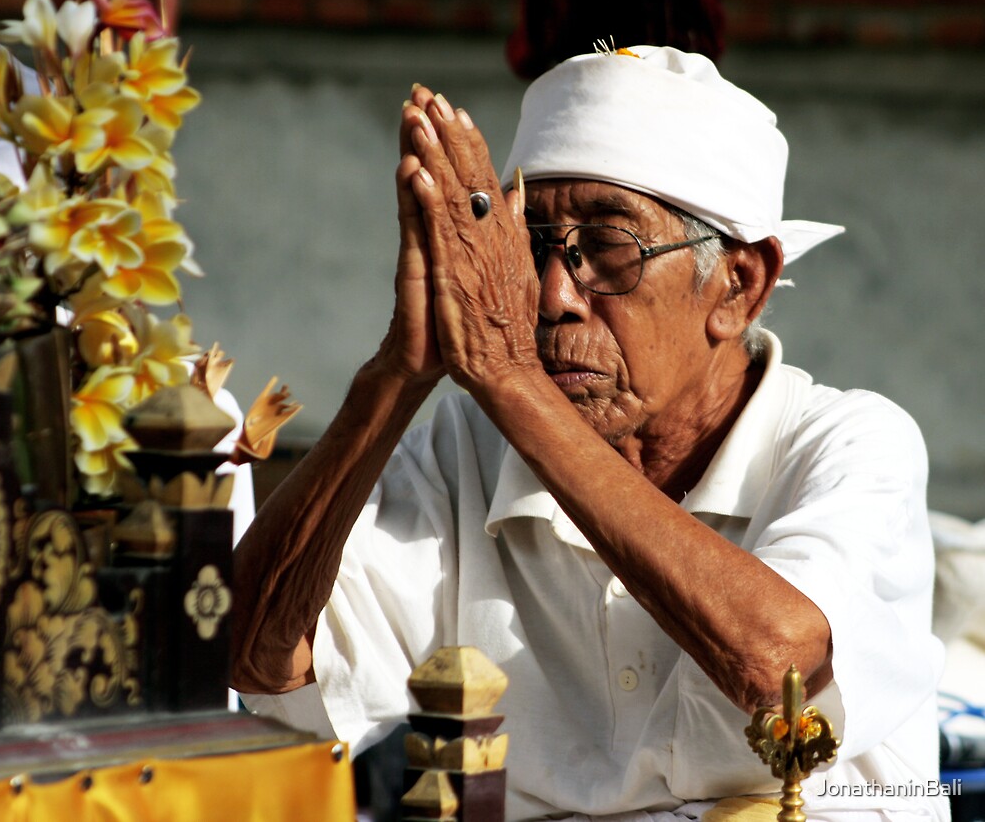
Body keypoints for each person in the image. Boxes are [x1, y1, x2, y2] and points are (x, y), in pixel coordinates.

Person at [231, 46, 945, 822]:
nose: (552, 297)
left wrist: (512, 380)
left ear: (737, 287)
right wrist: (396, 373)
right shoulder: (467, 447)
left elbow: (780, 670)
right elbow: (257, 658)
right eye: (530, 246)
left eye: (607, 249)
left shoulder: (851, 443)